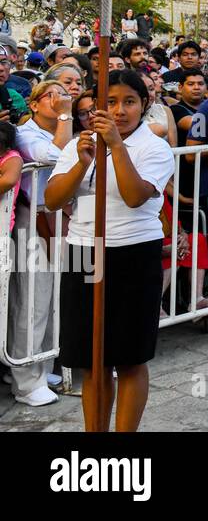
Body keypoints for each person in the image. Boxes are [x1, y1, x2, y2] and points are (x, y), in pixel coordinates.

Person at [43, 69, 173, 432]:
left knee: (130, 358)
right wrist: (83, 162)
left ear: (144, 104)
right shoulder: (79, 145)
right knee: (92, 359)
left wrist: (116, 145)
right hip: (85, 250)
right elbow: (52, 200)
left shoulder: (154, 147)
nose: (120, 111)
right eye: (110, 103)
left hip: (133, 252)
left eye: (129, 102)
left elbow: (134, 196)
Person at [10, 81, 74, 406]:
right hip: (32, 221)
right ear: (34, 104)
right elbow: (59, 157)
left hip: (59, 221)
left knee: (51, 299)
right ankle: (25, 380)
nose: (62, 99)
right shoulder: (26, 134)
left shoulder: (68, 129)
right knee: (31, 301)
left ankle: (43, 365)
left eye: (66, 94)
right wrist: (65, 117)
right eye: (53, 94)